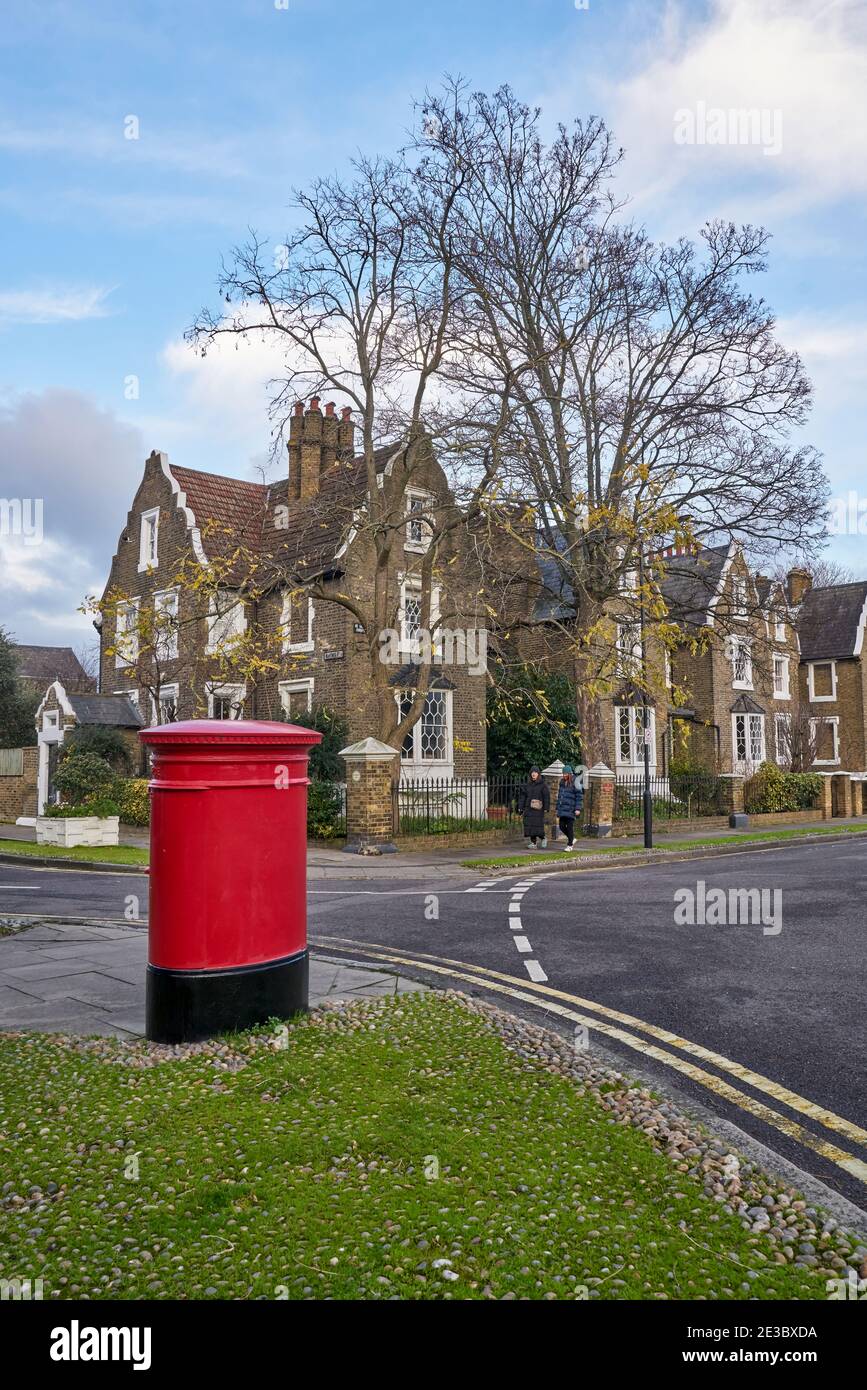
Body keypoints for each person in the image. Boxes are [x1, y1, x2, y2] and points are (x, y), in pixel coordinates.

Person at [518, 766, 550, 848]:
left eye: (535, 772)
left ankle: (543, 838)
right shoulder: (527, 785)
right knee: (530, 826)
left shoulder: (543, 785)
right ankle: (533, 843)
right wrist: (520, 807)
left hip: (538, 809)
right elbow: (523, 797)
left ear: (538, 774)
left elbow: (546, 796)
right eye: (532, 772)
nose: (533, 774)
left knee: (537, 826)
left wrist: (546, 808)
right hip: (528, 808)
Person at [556, 764, 583, 851]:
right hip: (563, 809)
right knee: (561, 826)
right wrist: (558, 806)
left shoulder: (575, 782)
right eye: (563, 774)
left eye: (566, 774)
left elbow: (579, 796)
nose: (564, 775)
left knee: (570, 827)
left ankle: (570, 845)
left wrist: (577, 808)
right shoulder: (562, 782)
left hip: (571, 809)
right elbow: (560, 796)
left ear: (570, 774)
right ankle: (572, 839)